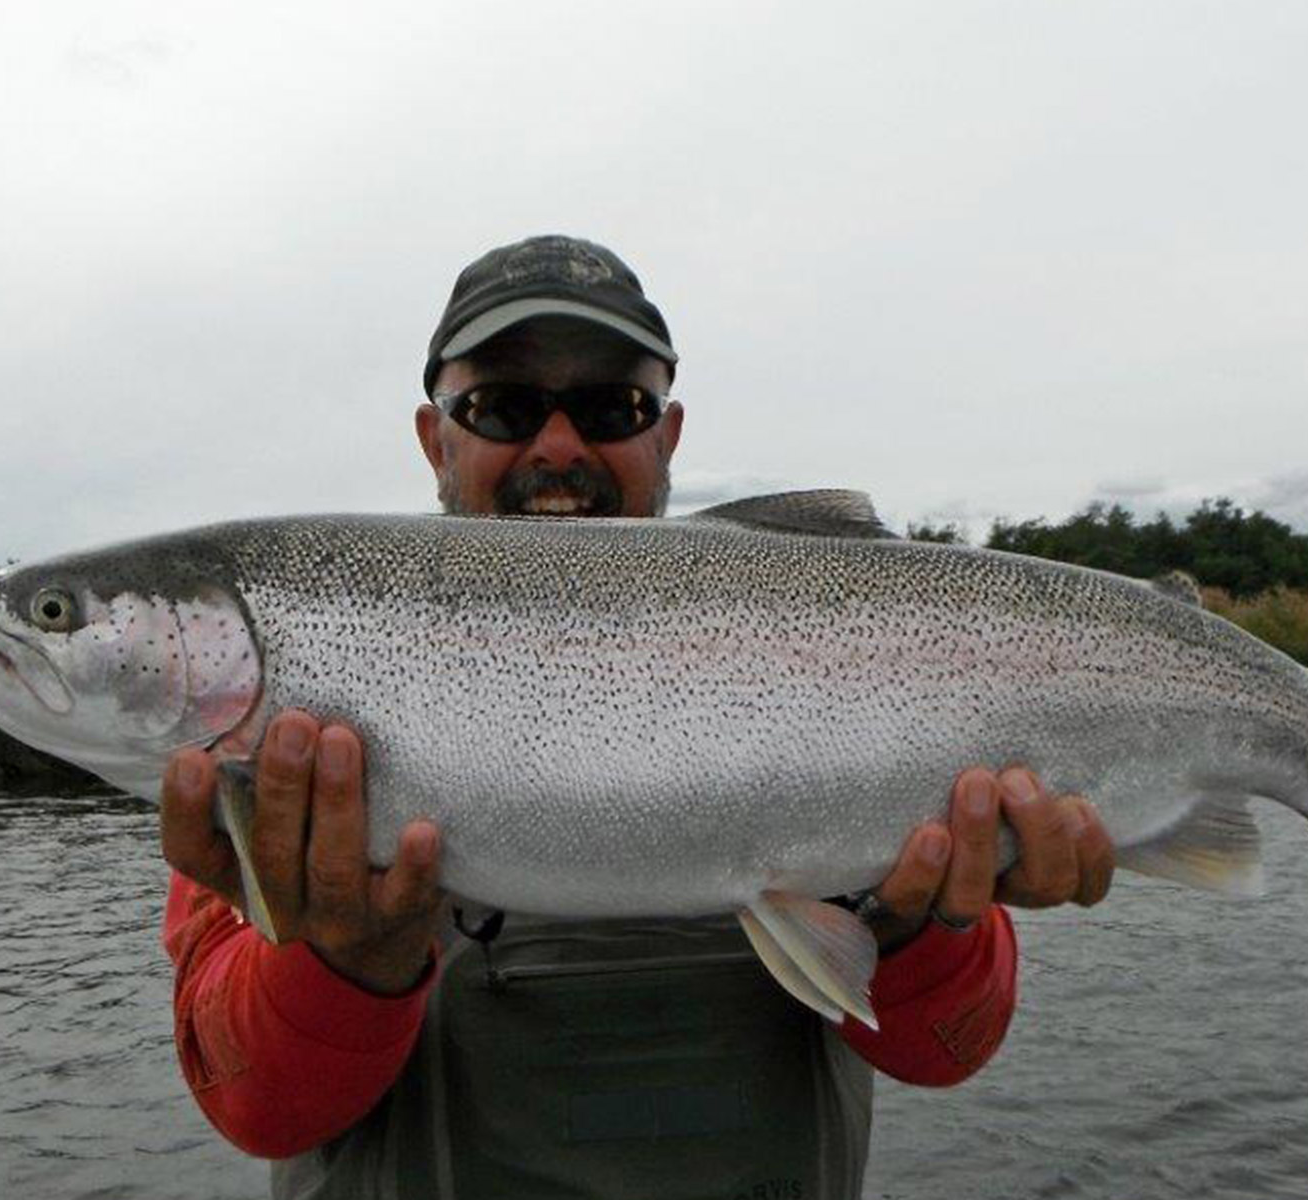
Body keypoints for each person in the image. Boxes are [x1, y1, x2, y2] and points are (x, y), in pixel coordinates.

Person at [158, 235, 1116, 1200]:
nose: (561, 447)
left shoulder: (862, 669)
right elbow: (260, 1110)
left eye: (616, 407)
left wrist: (911, 925)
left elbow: (946, 1053)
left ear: (669, 434)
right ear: (432, 436)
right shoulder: (292, 738)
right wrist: (347, 957)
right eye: (503, 406)